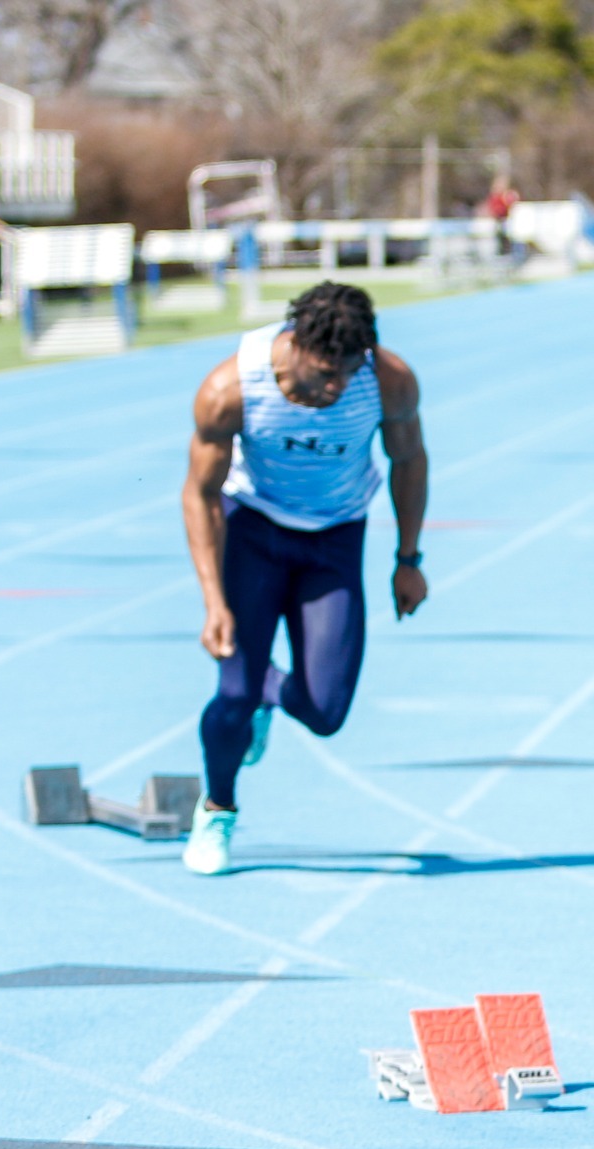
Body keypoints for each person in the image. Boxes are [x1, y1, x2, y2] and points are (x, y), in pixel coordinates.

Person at [178, 282, 428, 875]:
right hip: (253, 533)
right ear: (294, 345)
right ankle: (217, 809)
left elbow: (409, 459)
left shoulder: (388, 380)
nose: (338, 385)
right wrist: (214, 602)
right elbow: (200, 493)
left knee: (325, 712)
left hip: (334, 541)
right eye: (325, 371)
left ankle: (269, 688)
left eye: (350, 367)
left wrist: (408, 559)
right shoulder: (230, 389)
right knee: (232, 696)